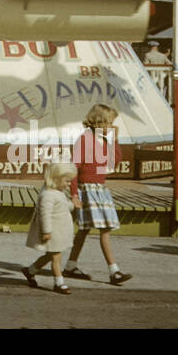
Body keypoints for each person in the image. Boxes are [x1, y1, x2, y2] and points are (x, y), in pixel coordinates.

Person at [63, 103, 132, 285]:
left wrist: (115, 140)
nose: (111, 126)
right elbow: (74, 168)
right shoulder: (84, 140)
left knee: (84, 229)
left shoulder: (103, 140)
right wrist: (74, 194)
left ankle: (70, 265)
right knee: (105, 229)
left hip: (100, 188)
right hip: (87, 189)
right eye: (109, 123)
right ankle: (114, 271)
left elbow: (114, 162)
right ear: (99, 122)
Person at [21, 162, 78, 294]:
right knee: (56, 257)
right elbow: (45, 214)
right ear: (56, 179)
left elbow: (63, 207)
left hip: (59, 232)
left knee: (50, 255)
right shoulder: (48, 195)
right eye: (67, 181)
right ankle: (59, 283)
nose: (69, 184)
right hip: (53, 232)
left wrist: (73, 205)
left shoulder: (59, 193)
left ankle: (30, 270)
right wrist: (46, 231)